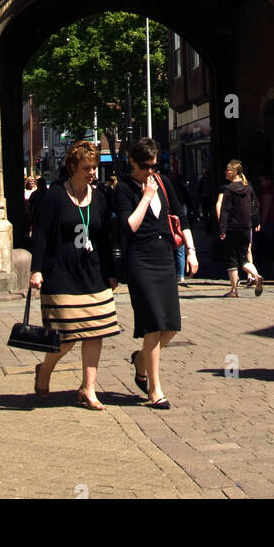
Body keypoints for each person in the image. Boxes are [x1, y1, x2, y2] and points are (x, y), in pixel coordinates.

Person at [29, 141, 118, 410]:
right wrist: (36, 269)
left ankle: (88, 389)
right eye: (86, 168)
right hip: (61, 274)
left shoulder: (100, 197)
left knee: (95, 332)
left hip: (92, 274)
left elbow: (104, 238)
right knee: (65, 337)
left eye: (94, 167)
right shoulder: (55, 196)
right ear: (72, 167)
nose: (92, 172)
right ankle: (45, 370)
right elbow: (42, 235)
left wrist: (112, 273)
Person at [115, 138, 198, 409]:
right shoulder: (125, 188)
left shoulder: (162, 181)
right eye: (145, 166)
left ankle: (140, 360)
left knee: (171, 324)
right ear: (132, 162)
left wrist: (192, 250)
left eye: (154, 165)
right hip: (141, 261)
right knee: (153, 324)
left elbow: (181, 217)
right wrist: (146, 196)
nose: (150, 171)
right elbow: (129, 226)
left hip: (164, 258)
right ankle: (155, 389)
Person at [218, 161, 263, 298]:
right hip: (246, 228)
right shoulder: (248, 187)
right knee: (243, 258)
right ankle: (256, 275)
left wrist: (222, 229)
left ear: (234, 172)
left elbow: (225, 211)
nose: (225, 172)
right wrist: (256, 221)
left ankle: (234, 290)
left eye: (227, 170)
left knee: (232, 259)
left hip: (233, 228)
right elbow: (256, 205)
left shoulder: (229, 189)